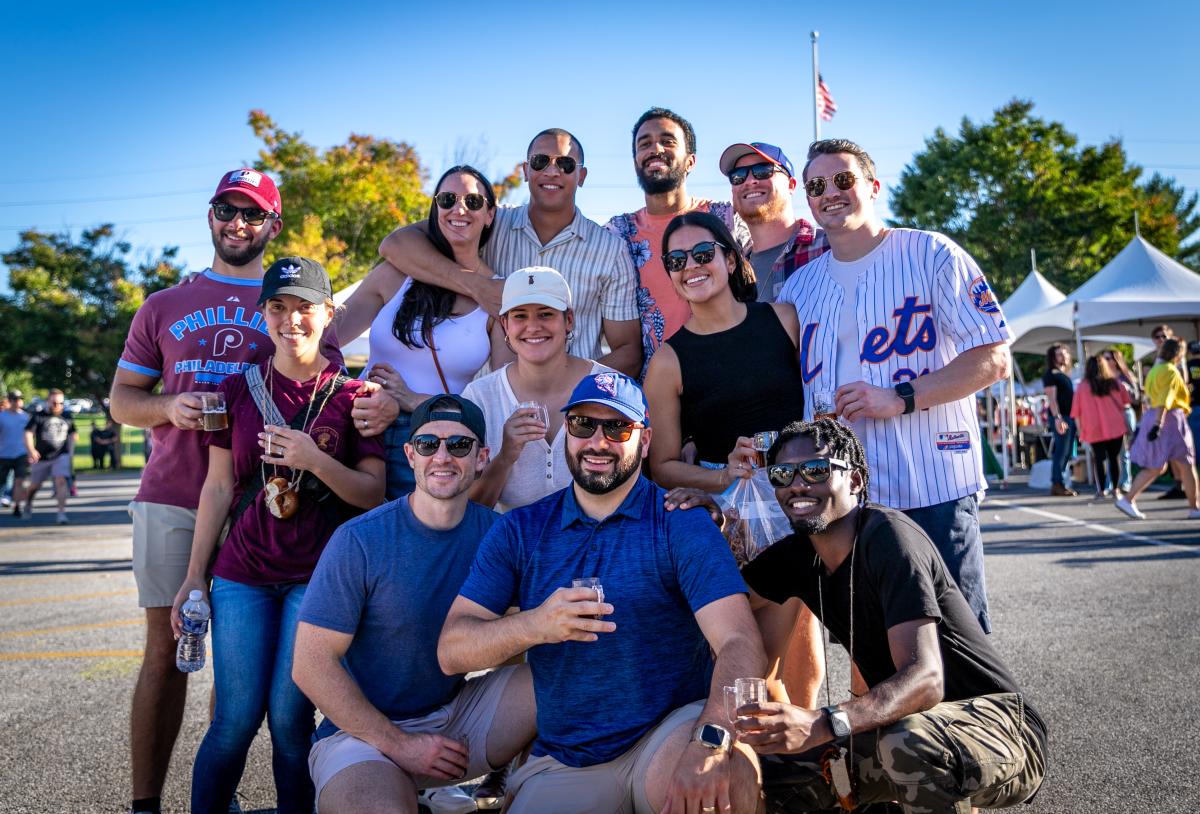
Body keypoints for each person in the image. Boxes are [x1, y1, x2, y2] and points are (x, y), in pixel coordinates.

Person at [110, 168, 395, 814]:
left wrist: (381, 403)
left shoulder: (326, 353)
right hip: (189, 499)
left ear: (274, 222)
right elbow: (123, 404)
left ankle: (234, 796)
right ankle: (146, 803)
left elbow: (349, 384)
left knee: (273, 710)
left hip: (285, 531)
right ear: (211, 216)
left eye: (253, 214)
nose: (238, 224)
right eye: (227, 211)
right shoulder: (167, 305)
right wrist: (169, 407)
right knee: (174, 660)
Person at [439, 372, 766, 814]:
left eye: (618, 428)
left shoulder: (680, 521)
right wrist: (535, 624)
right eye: (583, 425)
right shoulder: (521, 529)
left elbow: (739, 642)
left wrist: (711, 742)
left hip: (667, 732)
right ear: (566, 434)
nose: (599, 442)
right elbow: (453, 650)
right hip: (570, 756)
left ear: (645, 440)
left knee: (720, 780)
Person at [735, 419, 1047, 813]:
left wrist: (820, 723)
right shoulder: (799, 555)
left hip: (1000, 728)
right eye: (782, 475)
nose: (797, 485)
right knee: (774, 769)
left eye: (815, 470)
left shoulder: (890, 537)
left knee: (905, 741)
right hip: (904, 727)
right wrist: (700, 516)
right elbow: (723, 604)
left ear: (856, 480)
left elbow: (926, 679)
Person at [169, 256, 386, 814]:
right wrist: (194, 577)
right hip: (241, 575)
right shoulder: (237, 389)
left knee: (291, 721)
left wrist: (313, 461)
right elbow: (218, 488)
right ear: (263, 313)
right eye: (279, 307)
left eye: (305, 307)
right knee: (234, 719)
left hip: (316, 580)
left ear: (329, 314)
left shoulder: (352, 398)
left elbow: (372, 494)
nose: (292, 320)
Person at [779, 139, 1012, 634]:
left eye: (844, 180)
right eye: (817, 186)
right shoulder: (799, 287)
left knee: (960, 639)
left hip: (934, 483)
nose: (830, 193)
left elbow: (994, 358)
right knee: (876, 643)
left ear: (873, 186)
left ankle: (983, 716)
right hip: (847, 498)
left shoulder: (931, 253)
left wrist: (900, 397)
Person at [293, 394, 537, 814]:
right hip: (362, 734)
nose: (442, 456)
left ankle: (536, 790)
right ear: (410, 455)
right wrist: (400, 746)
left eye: (459, 446)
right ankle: (402, 790)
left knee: (562, 677)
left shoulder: (498, 535)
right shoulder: (360, 539)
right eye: (428, 444)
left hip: (456, 718)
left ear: (482, 457)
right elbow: (310, 665)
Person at [642, 211, 823, 709]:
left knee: (797, 654)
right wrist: (724, 473)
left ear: (730, 257)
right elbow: (662, 466)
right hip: (744, 519)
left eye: (703, 254)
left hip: (809, 502)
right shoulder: (667, 362)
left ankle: (809, 756)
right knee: (755, 665)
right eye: (677, 260)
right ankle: (773, 761)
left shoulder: (783, 319)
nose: (691, 267)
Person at [379, 130, 641, 377]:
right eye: (540, 161)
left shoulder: (609, 249)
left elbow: (628, 353)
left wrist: (565, 387)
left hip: (573, 412)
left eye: (565, 164)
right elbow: (395, 244)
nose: (552, 171)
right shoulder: (487, 219)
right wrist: (477, 285)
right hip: (483, 407)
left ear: (581, 176)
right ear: (526, 171)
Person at [340, 165, 500, 500]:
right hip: (362, 427)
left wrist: (413, 400)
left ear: (489, 214)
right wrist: (353, 389)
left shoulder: (498, 298)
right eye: (447, 199)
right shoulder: (395, 274)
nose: (459, 209)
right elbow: (327, 340)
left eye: (472, 201)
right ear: (435, 210)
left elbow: (502, 398)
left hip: (434, 445)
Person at [605, 108, 750, 377]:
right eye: (644, 144)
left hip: (731, 375)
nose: (655, 148)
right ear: (636, 160)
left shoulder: (726, 220)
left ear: (691, 161)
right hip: (654, 391)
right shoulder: (618, 235)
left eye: (668, 141)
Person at [461, 267, 607, 512]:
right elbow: (469, 510)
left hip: (596, 542)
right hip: (512, 545)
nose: (533, 327)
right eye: (519, 316)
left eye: (545, 314)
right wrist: (506, 455)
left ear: (568, 320)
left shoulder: (609, 387)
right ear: (505, 324)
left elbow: (634, 488)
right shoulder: (479, 397)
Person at [717, 141, 828, 302]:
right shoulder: (731, 269)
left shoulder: (828, 247)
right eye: (738, 176)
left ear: (791, 185)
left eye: (762, 170)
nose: (749, 181)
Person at [1117, 338, 1200, 520]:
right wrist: (1158, 424)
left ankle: (1128, 499)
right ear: (1178, 353)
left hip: (1155, 416)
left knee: (1157, 466)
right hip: (1169, 419)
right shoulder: (1169, 371)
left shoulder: (1156, 369)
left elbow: (1153, 396)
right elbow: (1166, 398)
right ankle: (1195, 507)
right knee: (1186, 463)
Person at [1070, 354, 1132, 499]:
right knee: (1114, 459)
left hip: (1093, 428)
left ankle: (1101, 490)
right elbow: (1126, 404)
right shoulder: (1116, 384)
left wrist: (1080, 432)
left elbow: (1076, 413)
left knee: (1098, 460)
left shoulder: (1082, 387)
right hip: (1115, 427)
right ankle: (1116, 490)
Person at [23, 388, 77, 524]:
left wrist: (71, 452)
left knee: (61, 481)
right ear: (47, 402)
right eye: (54, 403)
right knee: (35, 485)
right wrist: (31, 450)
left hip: (61, 455)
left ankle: (61, 513)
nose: (57, 406)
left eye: (60, 403)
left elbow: (72, 434)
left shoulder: (67, 416)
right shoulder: (38, 416)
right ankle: (28, 503)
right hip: (41, 457)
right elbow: (28, 433)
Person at [1101, 347, 1139, 491]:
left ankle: (1125, 482)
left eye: (1108, 358)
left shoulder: (1125, 376)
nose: (1105, 361)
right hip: (1109, 417)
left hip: (1124, 414)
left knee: (1124, 451)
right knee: (1110, 452)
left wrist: (1125, 389)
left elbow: (1136, 398)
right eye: (1104, 359)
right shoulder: (1103, 378)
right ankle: (1110, 483)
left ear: (1116, 361)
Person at [1042, 344, 1078, 496]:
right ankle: (1057, 483)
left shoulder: (1064, 373)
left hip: (1069, 416)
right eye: (1059, 354)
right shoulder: (1051, 374)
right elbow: (1052, 399)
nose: (1063, 356)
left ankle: (1061, 482)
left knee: (1068, 451)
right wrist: (1058, 418)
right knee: (1062, 451)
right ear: (1053, 357)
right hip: (1061, 417)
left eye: (1064, 353)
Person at [1, 390, 29, 516]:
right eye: (15, 399)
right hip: (4, 454)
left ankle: (17, 506)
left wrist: (31, 451)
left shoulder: (25, 417)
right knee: (2, 481)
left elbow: (30, 436)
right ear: (10, 401)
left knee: (19, 481)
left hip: (21, 454)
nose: (18, 402)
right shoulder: (2, 416)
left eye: (19, 399)